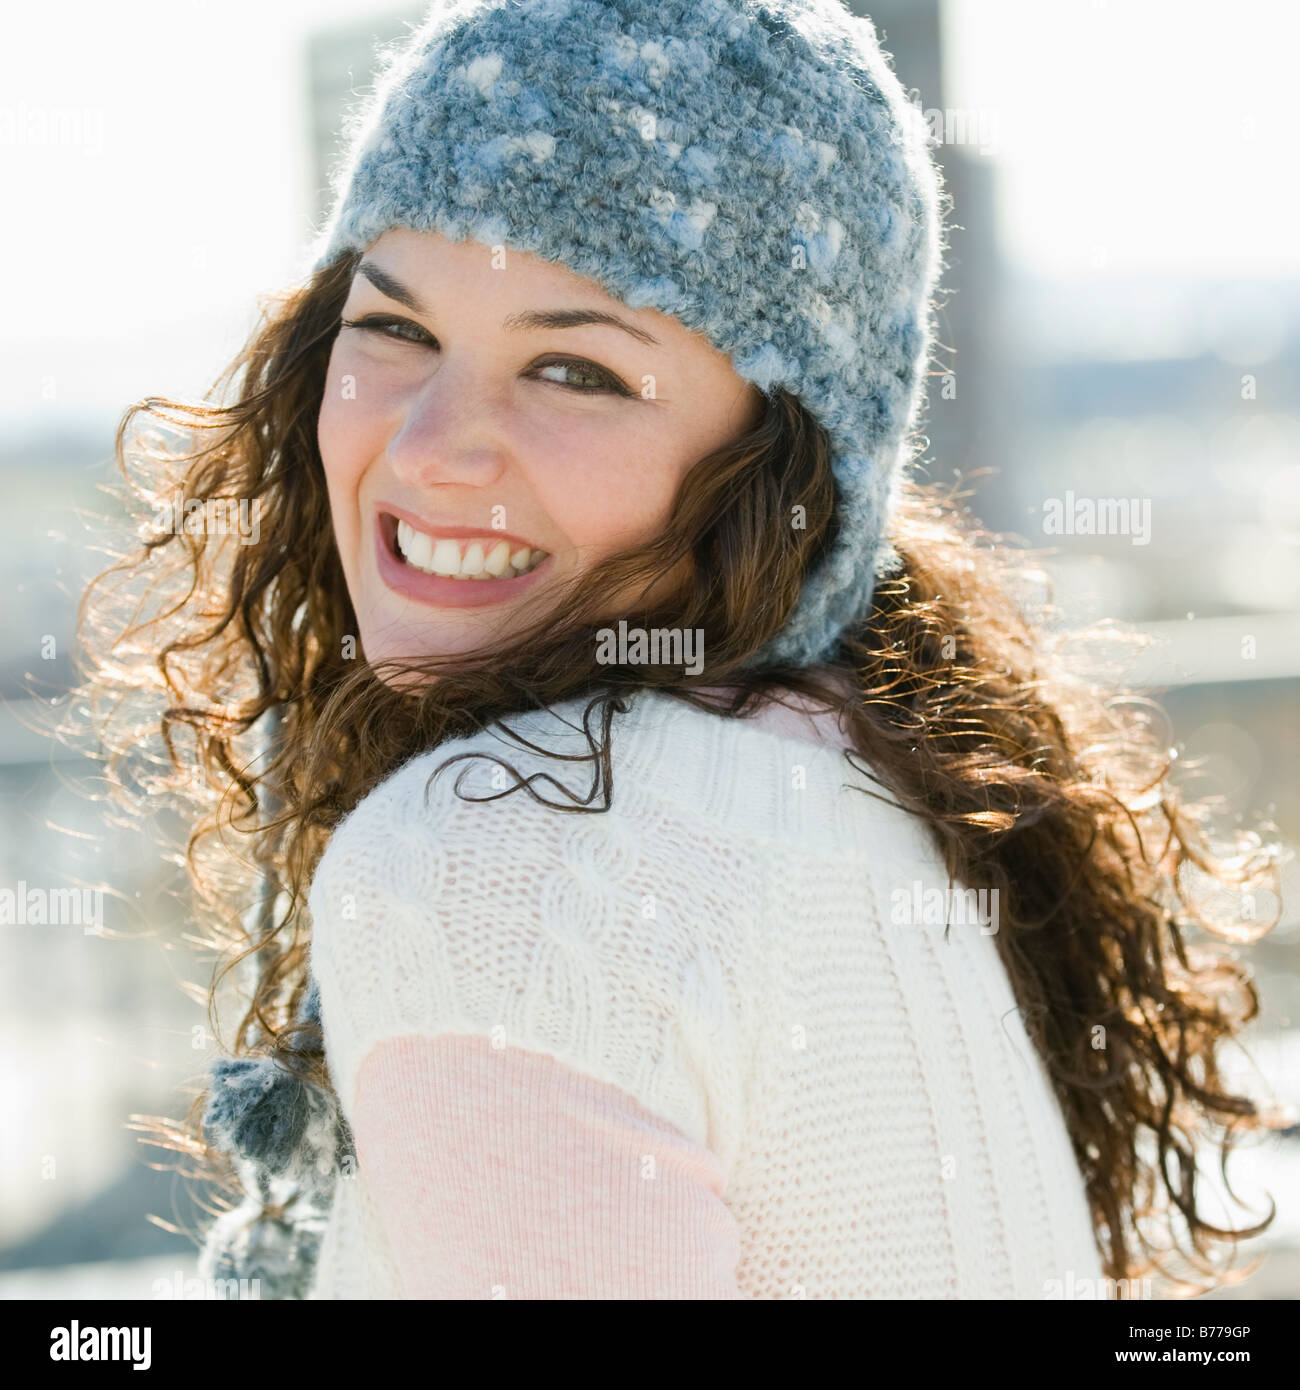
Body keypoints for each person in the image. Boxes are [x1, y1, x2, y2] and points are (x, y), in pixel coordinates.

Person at [76, 0, 1281, 1300]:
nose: (426, 449)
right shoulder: (853, 772)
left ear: (779, 456)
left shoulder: (501, 870)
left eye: (577, 372)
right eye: (398, 330)